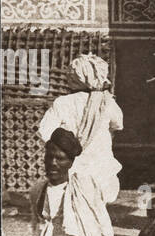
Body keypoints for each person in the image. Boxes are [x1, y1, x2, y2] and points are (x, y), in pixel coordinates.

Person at [39, 53, 124, 204]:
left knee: (71, 207)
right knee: (96, 207)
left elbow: (45, 131)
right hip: (100, 164)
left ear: (75, 78)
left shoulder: (62, 102)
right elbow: (118, 124)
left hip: (73, 165)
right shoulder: (106, 102)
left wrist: (66, 146)